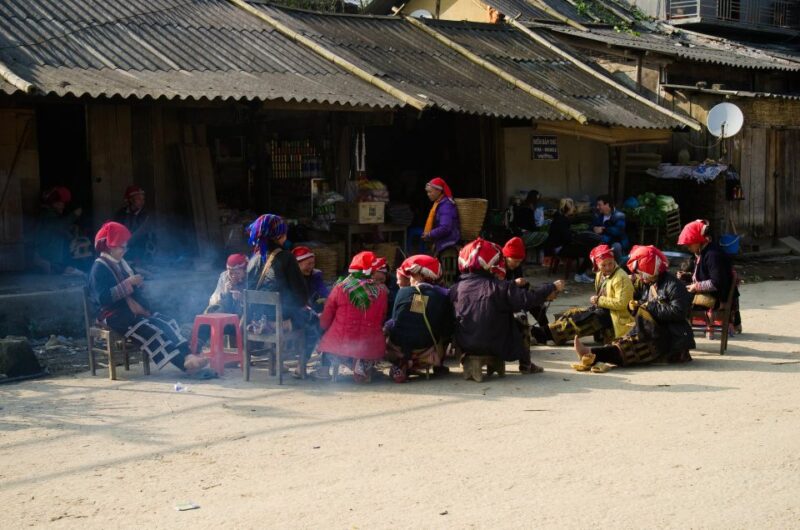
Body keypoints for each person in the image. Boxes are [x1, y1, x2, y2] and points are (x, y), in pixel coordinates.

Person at [88, 222, 213, 377]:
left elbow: (134, 290)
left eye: (125, 247)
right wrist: (128, 283)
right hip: (115, 316)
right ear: (109, 247)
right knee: (153, 332)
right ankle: (184, 364)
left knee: (167, 323)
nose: (124, 251)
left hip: (131, 311)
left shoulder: (122, 265)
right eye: (121, 247)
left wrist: (139, 285)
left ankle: (189, 355)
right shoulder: (99, 268)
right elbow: (103, 298)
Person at [450, 238, 564, 374]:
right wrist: (551, 287)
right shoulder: (500, 286)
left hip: (464, 344)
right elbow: (528, 299)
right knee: (521, 319)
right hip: (496, 343)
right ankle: (526, 364)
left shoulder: (455, 289)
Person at [573, 245, 695, 373]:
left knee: (633, 348)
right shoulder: (649, 283)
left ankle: (591, 353)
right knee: (626, 342)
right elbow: (640, 303)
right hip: (653, 330)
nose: (640, 277)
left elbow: (679, 312)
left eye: (641, 273)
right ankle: (591, 354)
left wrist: (649, 306)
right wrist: (637, 305)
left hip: (671, 336)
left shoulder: (674, 285)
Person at [315, 251, 388, 383]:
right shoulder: (381, 292)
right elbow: (382, 317)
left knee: (326, 334)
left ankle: (325, 370)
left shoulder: (340, 288)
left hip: (340, 345)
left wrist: (322, 329)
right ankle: (361, 366)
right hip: (369, 346)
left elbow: (327, 316)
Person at [385, 255, 454, 383]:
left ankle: (403, 363)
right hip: (425, 348)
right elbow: (446, 328)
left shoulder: (403, 293)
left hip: (398, 348)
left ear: (420, 276)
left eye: (412, 275)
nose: (410, 278)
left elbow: (397, 320)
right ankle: (436, 366)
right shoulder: (440, 297)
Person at [548, 244, 634, 345]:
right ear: (597, 265)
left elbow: (621, 304)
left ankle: (545, 334)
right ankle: (544, 332)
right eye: (603, 265)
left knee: (585, 321)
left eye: (610, 263)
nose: (608, 268)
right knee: (577, 316)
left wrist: (599, 300)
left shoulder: (620, 277)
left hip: (617, 316)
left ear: (614, 261)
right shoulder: (599, 274)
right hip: (605, 310)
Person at [677, 219, 741, 336]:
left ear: (698, 240)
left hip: (717, 298)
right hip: (712, 293)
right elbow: (704, 274)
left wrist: (696, 287)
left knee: (678, 298)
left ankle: (680, 331)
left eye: (689, 243)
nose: (687, 247)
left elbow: (716, 283)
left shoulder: (713, 255)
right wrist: (687, 277)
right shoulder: (704, 252)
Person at [247, 214, 309, 333]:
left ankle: (271, 345)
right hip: (280, 320)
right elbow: (301, 296)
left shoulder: (253, 259)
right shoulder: (287, 257)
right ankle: (303, 351)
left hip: (256, 319)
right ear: (279, 235)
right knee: (313, 318)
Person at [503, 236, 556, 346]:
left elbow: (521, 290)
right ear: (506, 257)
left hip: (514, 297)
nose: (517, 264)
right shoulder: (498, 268)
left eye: (519, 262)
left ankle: (547, 333)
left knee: (536, 305)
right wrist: (514, 283)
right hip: (502, 300)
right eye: (515, 261)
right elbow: (497, 287)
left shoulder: (516, 267)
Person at [543, 198, 597, 283]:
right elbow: (567, 238)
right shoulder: (562, 220)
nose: (574, 209)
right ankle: (580, 274)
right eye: (573, 207)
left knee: (585, 247)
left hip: (556, 247)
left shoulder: (559, 217)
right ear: (568, 208)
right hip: (560, 248)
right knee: (589, 251)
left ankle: (581, 273)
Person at [33, 186, 83, 275]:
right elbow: (59, 226)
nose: (63, 206)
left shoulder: (52, 214)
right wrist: (74, 215)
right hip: (46, 250)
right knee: (59, 268)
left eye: (63, 203)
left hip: (49, 250)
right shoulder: (47, 214)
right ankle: (47, 264)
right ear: (53, 204)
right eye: (59, 203)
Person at [113, 185, 154, 263]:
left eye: (143, 199)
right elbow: (115, 229)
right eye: (138, 199)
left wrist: (126, 244)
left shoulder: (145, 214)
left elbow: (140, 233)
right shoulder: (121, 213)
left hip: (139, 247)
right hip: (123, 246)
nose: (142, 202)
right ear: (131, 200)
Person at [422, 177, 460, 255]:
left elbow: (445, 228)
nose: (428, 194)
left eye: (430, 192)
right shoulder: (439, 204)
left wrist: (429, 234)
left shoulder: (446, 206)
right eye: (427, 192)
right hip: (442, 241)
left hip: (448, 242)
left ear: (438, 190)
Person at [292, 246, 329, 314]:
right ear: (297, 264)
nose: (311, 267)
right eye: (308, 264)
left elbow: (323, 290)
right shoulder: (292, 278)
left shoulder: (316, 275)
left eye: (313, 263)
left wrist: (327, 298)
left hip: (313, 307)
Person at [591, 194, 629, 261]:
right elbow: (592, 225)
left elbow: (618, 231)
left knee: (616, 247)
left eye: (599, 205)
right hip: (603, 241)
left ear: (607, 204)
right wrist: (594, 228)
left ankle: (620, 267)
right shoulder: (599, 216)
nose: (597, 207)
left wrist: (603, 230)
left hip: (616, 241)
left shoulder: (619, 215)